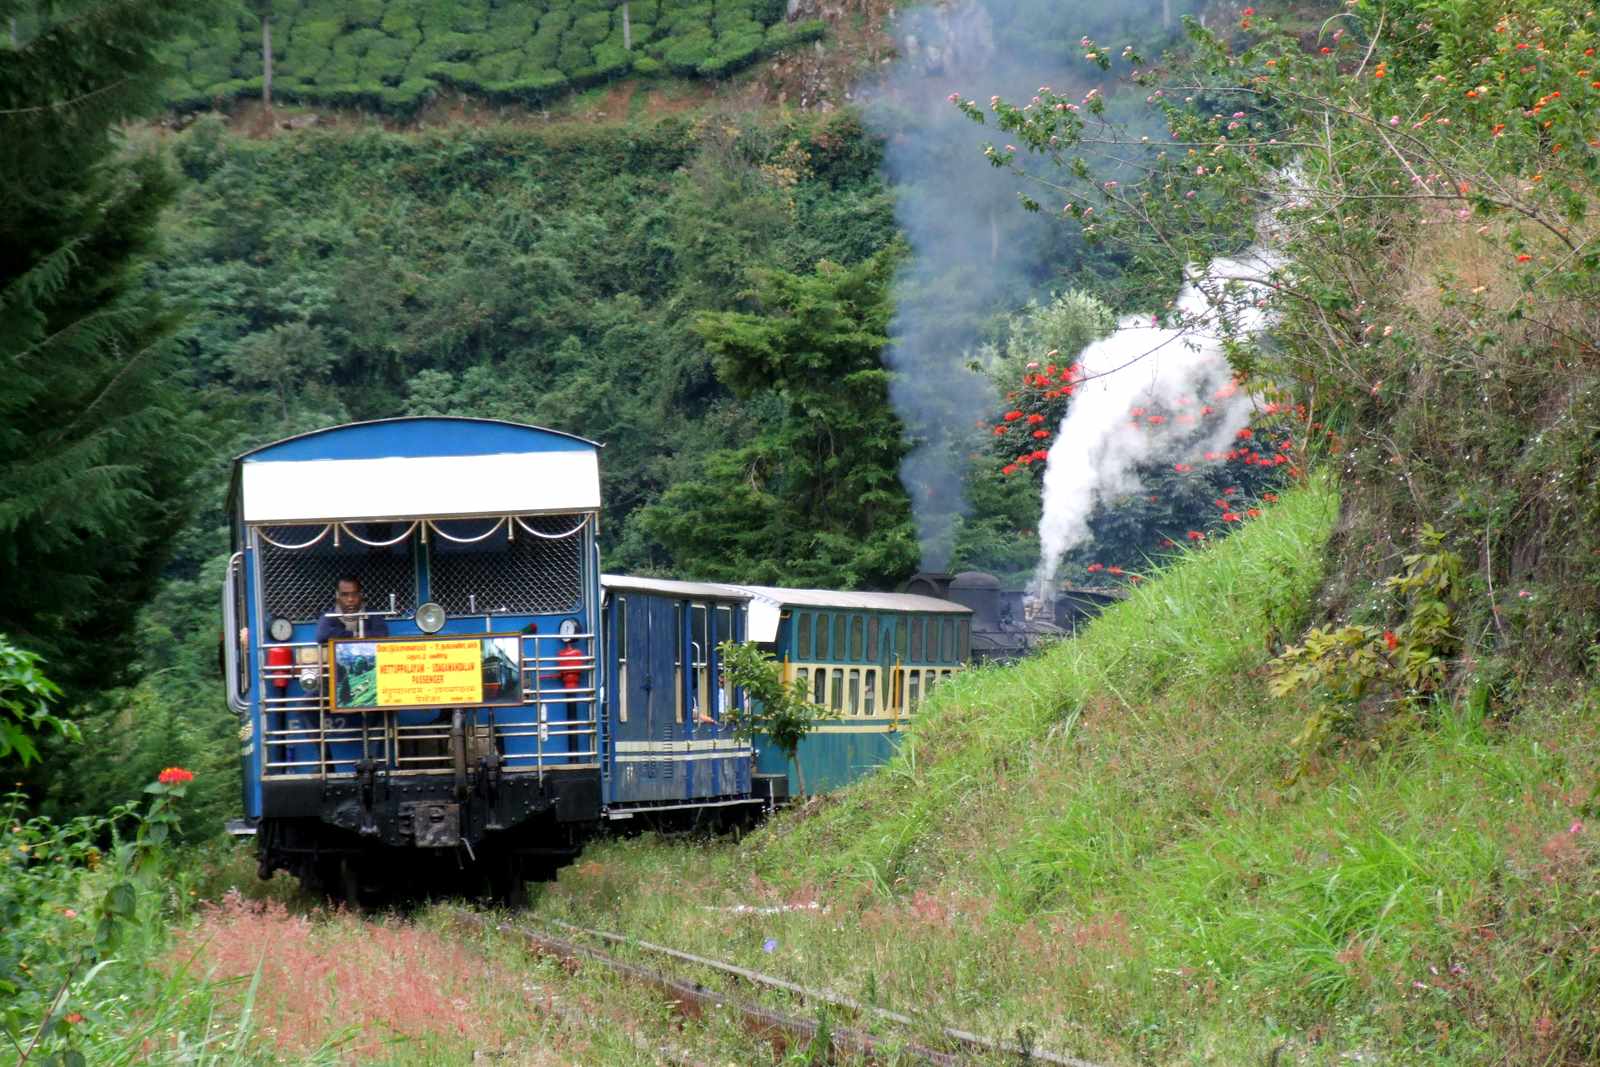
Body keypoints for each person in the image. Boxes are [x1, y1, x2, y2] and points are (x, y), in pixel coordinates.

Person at [315, 575, 390, 643]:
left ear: (361, 595)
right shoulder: (329, 615)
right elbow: (322, 635)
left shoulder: (372, 614)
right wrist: (355, 635)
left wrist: (343, 635)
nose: (350, 599)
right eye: (344, 595)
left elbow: (382, 634)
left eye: (354, 594)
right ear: (337, 597)